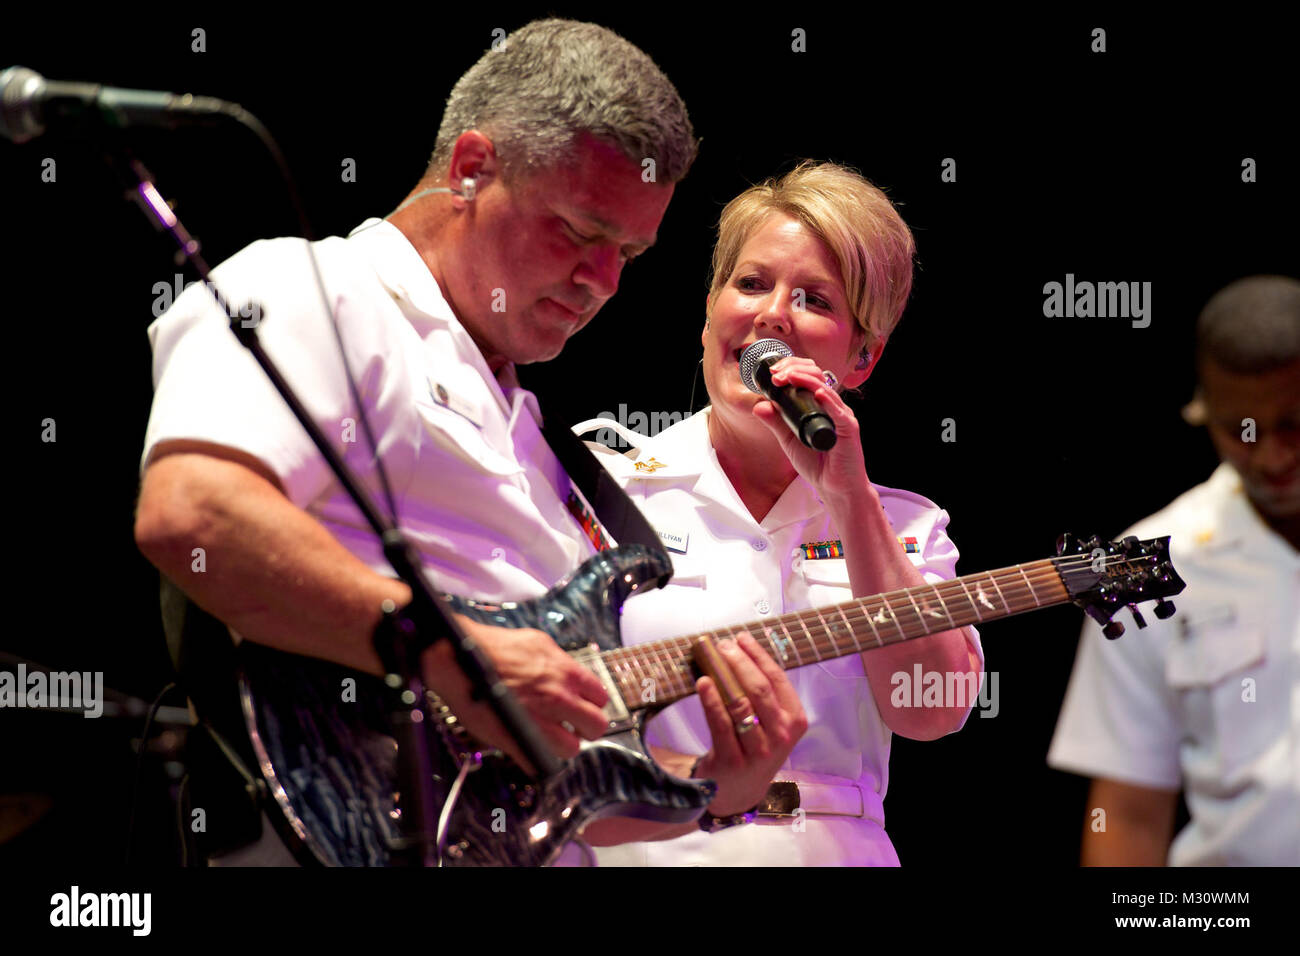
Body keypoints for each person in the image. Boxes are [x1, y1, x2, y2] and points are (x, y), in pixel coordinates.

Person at [133, 17, 805, 865]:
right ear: (471, 167)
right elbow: (191, 515)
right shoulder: (316, 289)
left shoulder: (539, 437)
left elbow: (534, 791)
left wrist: (713, 787)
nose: (604, 283)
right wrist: (467, 655)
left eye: (630, 252)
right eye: (581, 230)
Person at [574, 162, 986, 865]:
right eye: (752, 283)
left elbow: (932, 709)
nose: (772, 315)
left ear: (862, 358)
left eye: (814, 300)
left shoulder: (908, 529)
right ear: (710, 311)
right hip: (646, 845)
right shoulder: (599, 486)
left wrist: (849, 501)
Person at [1048, 275, 1300, 866]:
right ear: (1203, 411)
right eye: (1242, 431)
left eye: (1294, 424)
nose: (1270, 456)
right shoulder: (1141, 567)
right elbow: (1129, 808)